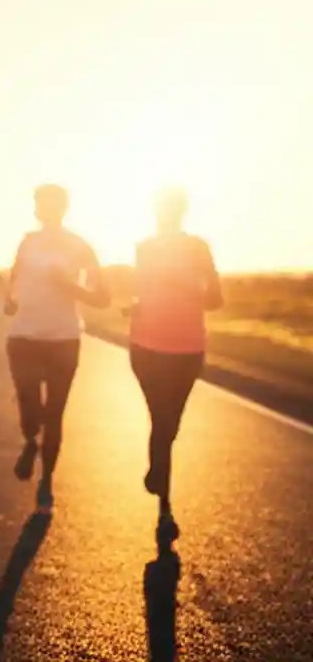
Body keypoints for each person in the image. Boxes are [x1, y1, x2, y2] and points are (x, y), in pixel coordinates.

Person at [2, 184, 110, 510]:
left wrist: (70, 286)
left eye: (46, 203)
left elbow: (103, 297)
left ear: (61, 208)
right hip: (23, 336)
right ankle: (30, 439)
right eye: (38, 202)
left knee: (55, 411)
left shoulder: (80, 247)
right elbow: (14, 280)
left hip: (63, 337)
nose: (40, 208)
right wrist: (10, 300)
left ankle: (47, 479)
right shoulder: (27, 242)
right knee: (28, 403)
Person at [127, 185, 222, 546]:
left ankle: (157, 471)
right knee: (162, 419)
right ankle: (165, 511)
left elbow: (215, 299)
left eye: (170, 209)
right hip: (146, 346)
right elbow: (141, 294)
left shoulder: (198, 248)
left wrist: (182, 285)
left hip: (187, 348)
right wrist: (134, 307)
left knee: (169, 423)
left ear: (181, 212)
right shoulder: (144, 248)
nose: (164, 215)